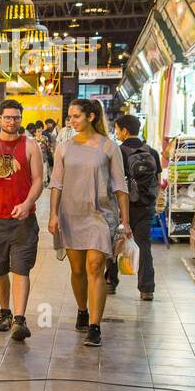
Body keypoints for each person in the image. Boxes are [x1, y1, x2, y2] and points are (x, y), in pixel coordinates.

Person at [49, 99, 130, 347]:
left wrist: (125, 220)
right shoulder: (63, 147)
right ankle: (82, 309)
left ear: (91, 117)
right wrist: (53, 214)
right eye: (70, 117)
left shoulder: (109, 147)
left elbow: (119, 184)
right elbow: (56, 183)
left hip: (100, 215)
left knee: (95, 266)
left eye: (76, 116)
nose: (71, 121)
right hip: (71, 214)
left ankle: (95, 326)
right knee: (77, 270)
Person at [0, 99, 45, 342]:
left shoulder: (31, 146)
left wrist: (27, 204)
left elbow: (38, 180)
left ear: (21, 119)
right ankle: (4, 311)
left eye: (16, 117)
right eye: (7, 117)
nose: (12, 121)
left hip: (23, 219)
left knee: (21, 268)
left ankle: (20, 319)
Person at [103, 114, 161, 300]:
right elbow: (157, 181)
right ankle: (146, 289)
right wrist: (153, 201)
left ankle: (111, 282)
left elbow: (112, 182)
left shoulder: (116, 152)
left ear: (125, 130)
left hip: (121, 208)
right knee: (144, 245)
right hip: (145, 207)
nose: (116, 133)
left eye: (117, 129)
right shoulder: (151, 152)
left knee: (114, 245)